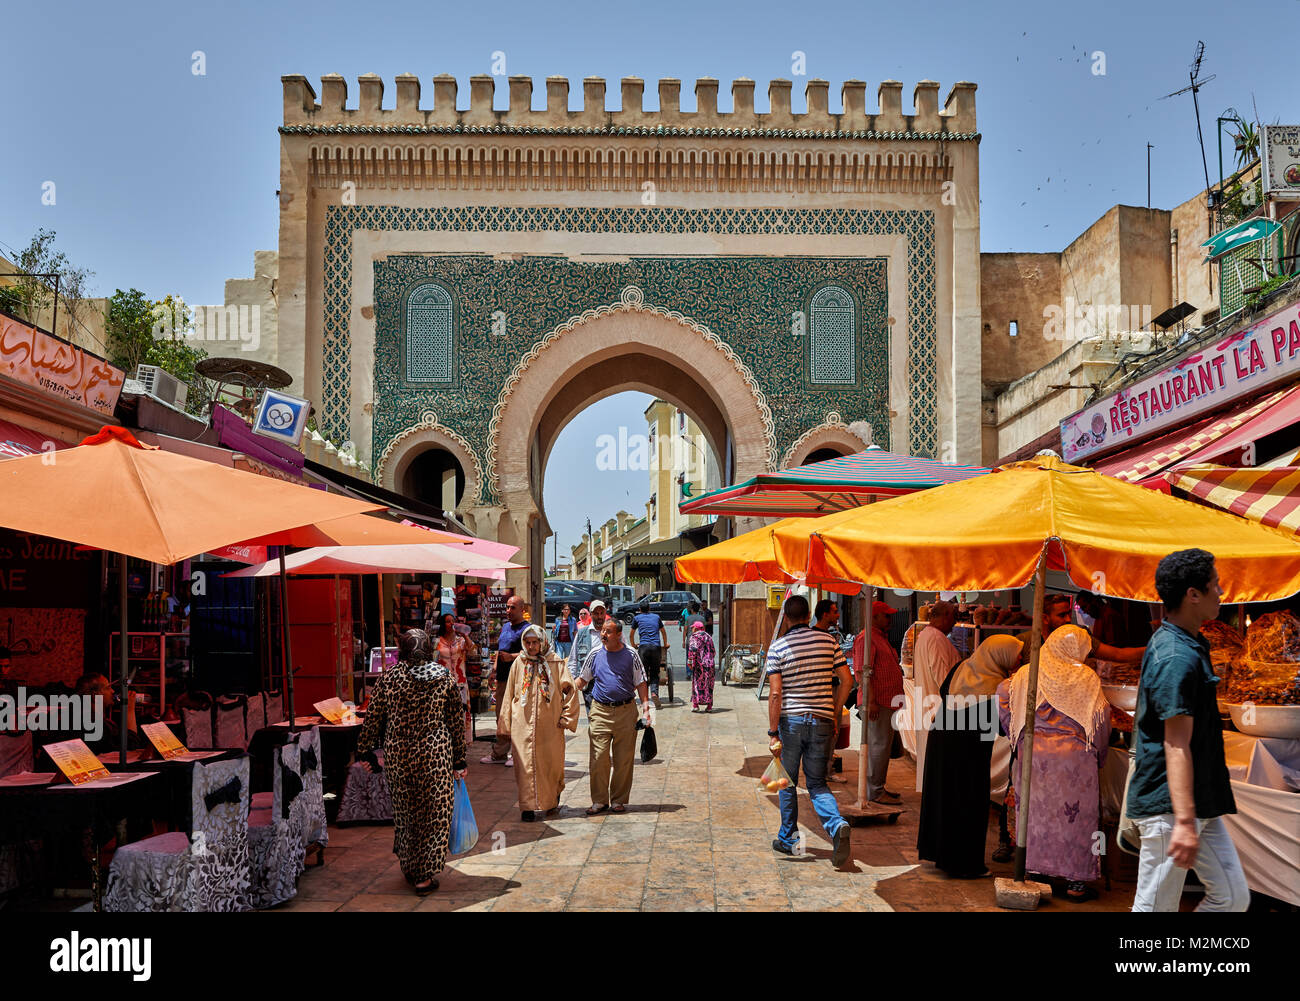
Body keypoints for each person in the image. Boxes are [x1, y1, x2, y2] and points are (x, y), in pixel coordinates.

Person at [1127, 549, 1248, 912]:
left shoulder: (1189, 643)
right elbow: (1176, 743)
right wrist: (1182, 821)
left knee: (1232, 898)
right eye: (1215, 585)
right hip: (1170, 806)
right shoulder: (1176, 656)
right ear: (1193, 594)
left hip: (1198, 801)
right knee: (1154, 908)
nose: (1221, 593)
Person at [998, 625, 1111, 901]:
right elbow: (1101, 721)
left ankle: (1036, 873)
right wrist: (1099, 754)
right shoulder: (1086, 678)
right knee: (1077, 820)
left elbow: (1004, 699)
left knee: (1036, 815)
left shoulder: (1027, 673)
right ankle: (1076, 883)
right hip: (1075, 759)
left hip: (1034, 756)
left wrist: (1019, 737)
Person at [354, 629, 467, 895]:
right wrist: (459, 759)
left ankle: (410, 865)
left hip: (399, 755)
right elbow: (455, 722)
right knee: (434, 815)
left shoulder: (389, 678)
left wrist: (365, 751)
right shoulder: (444, 677)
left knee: (406, 813)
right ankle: (424, 876)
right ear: (428, 648)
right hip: (435, 755)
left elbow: (374, 718)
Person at [916, 634, 1024, 878]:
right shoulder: (998, 686)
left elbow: (945, 694)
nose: (1019, 658)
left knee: (944, 796)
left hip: (942, 738)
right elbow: (999, 726)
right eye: (1016, 653)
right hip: (967, 750)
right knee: (967, 801)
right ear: (1001, 654)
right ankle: (963, 864)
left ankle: (941, 854)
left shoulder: (961, 667)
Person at [765, 594, 852, 867]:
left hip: (791, 722)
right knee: (816, 783)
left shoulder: (778, 647)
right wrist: (834, 712)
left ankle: (789, 839)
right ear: (808, 616)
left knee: (785, 782)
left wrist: (772, 732)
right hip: (823, 720)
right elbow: (847, 680)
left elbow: (776, 694)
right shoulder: (829, 642)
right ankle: (836, 825)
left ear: (787, 618)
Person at [499, 624, 580, 821]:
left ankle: (552, 798)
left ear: (542, 641)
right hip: (522, 724)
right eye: (528, 642)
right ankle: (527, 807)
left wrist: (566, 717)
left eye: (535, 642)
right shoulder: (519, 663)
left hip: (550, 726)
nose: (532, 646)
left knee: (551, 764)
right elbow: (509, 693)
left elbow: (571, 691)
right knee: (524, 765)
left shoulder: (555, 663)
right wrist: (505, 723)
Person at [574, 619, 652, 814]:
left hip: (626, 712)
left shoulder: (631, 655)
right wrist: (562, 692)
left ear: (618, 634)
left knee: (623, 759)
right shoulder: (595, 654)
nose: (603, 635)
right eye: (603, 632)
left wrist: (647, 710)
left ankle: (618, 799)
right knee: (598, 757)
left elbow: (641, 682)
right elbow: (582, 680)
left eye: (608, 632)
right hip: (600, 711)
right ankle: (599, 800)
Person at [851, 601, 905, 804]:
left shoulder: (878, 638)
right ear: (874, 617)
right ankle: (874, 791)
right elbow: (862, 673)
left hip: (886, 702)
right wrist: (871, 701)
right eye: (887, 616)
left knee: (881, 746)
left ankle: (877, 787)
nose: (890, 620)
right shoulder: (866, 639)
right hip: (878, 702)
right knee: (878, 746)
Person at [913, 600, 961, 786]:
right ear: (945, 616)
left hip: (929, 705)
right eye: (953, 617)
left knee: (930, 758)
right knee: (935, 760)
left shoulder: (927, 635)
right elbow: (943, 678)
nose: (955, 623)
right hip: (937, 707)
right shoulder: (935, 638)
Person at [482, 594, 527, 766]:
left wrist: (513, 656)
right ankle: (499, 753)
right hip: (502, 679)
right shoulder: (505, 627)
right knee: (501, 717)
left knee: (516, 717)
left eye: (512, 607)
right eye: (507, 607)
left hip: (517, 680)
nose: (508, 611)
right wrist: (493, 669)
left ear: (522, 609)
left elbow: (533, 652)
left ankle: (517, 754)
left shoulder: (527, 629)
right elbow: (500, 651)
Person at [1041, 593, 1144, 665]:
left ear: (1094, 602)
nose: (1068, 619)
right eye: (1062, 615)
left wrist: (1152, 649)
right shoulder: (1029, 642)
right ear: (1045, 618)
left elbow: (1118, 654)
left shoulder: (1079, 638)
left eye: (1068, 613)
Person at [434, 612, 471, 745]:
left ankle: (461, 742)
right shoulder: (438, 642)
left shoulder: (460, 641)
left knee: (461, 712)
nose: (451, 624)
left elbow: (472, 650)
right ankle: (445, 741)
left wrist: (465, 636)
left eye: (453, 621)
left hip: (460, 681)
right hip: (442, 683)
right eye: (448, 621)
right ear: (443, 624)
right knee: (445, 713)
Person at [568, 599, 609, 717]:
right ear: (590, 614)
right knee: (593, 718)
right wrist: (575, 681)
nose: (600, 616)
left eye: (602, 613)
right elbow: (573, 660)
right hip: (589, 684)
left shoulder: (612, 631)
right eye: (596, 613)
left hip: (608, 682)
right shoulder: (582, 634)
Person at [631, 599, 668, 710]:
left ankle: (645, 698)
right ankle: (654, 693)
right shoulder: (656, 617)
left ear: (639, 609)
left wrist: (633, 645)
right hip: (656, 647)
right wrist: (665, 644)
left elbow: (631, 634)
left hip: (643, 648)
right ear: (650, 608)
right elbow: (663, 631)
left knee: (643, 674)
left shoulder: (637, 618)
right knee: (655, 672)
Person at [686, 620, 716, 713]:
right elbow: (713, 651)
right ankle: (709, 706)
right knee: (709, 684)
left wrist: (690, 663)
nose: (692, 629)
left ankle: (695, 705)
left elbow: (692, 651)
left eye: (693, 627)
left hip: (699, 664)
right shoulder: (709, 637)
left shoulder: (694, 637)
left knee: (696, 683)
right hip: (710, 664)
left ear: (697, 628)